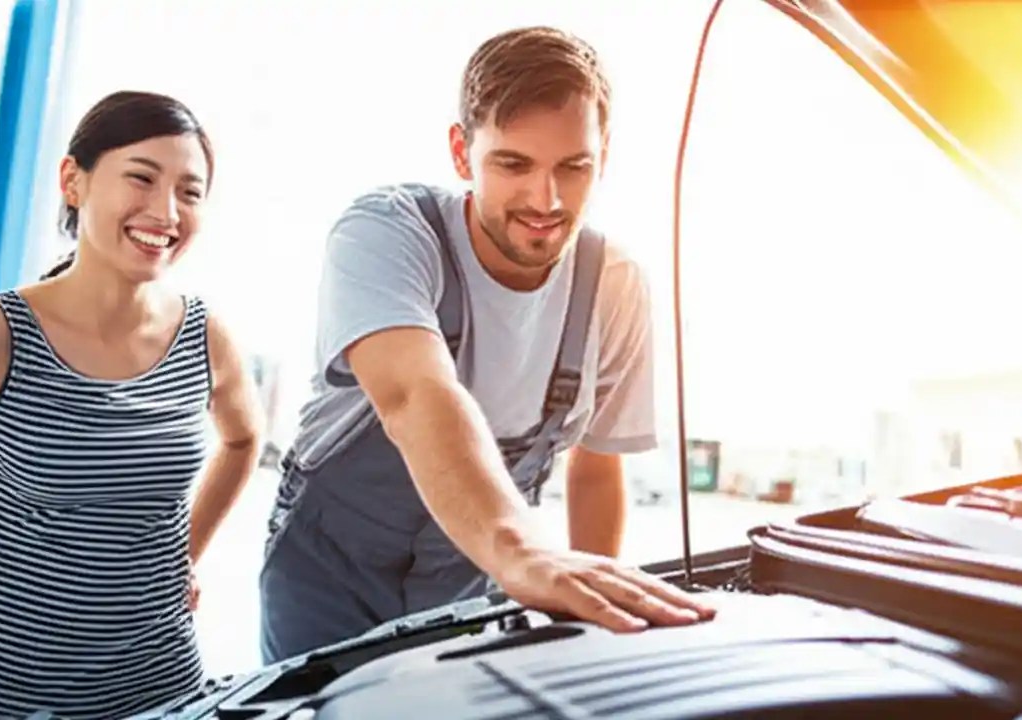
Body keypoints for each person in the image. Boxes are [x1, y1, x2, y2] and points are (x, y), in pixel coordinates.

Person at [259, 26, 716, 663]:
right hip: (333, 565)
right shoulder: (387, 235)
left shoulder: (613, 285)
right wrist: (525, 552)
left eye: (573, 167)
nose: (546, 200)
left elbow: (596, 468)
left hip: (472, 577)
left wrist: (595, 626)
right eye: (513, 164)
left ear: (603, 156)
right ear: (460, 151)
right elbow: (415, 396)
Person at [0, 90, 263, 719]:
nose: (166, 211)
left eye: (190, 192)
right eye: (141, 178)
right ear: (73, 181)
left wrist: (184, 554)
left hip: (167, 694)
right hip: (13, 702)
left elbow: (244, 440)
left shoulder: (204, 334)